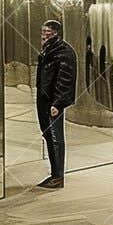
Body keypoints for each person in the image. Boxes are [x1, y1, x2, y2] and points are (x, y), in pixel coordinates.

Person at [34, 18, 77, 189]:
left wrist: (58, 103)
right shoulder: (50, 49)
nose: (43, 35)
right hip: (45, 99)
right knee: (48, 135)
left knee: (55, 137)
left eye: (47, 32)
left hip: (52, 102)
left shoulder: (63, 52)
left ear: (56, 33)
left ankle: (57, 177)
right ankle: (55, 174)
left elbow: (65, 80)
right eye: (42, 32)